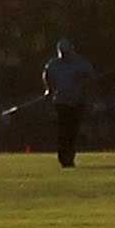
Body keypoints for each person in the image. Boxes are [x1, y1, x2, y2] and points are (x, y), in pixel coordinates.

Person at [42, 37, 94, 168]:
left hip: (77, 101)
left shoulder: (80, 63)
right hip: (61, 101)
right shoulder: (54, 64)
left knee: (73, 130)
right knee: (63, 131)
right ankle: (64, 158)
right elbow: (46, 75)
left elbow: (90, 78)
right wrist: (49, 89)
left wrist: (85, 88)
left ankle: (69, 156)